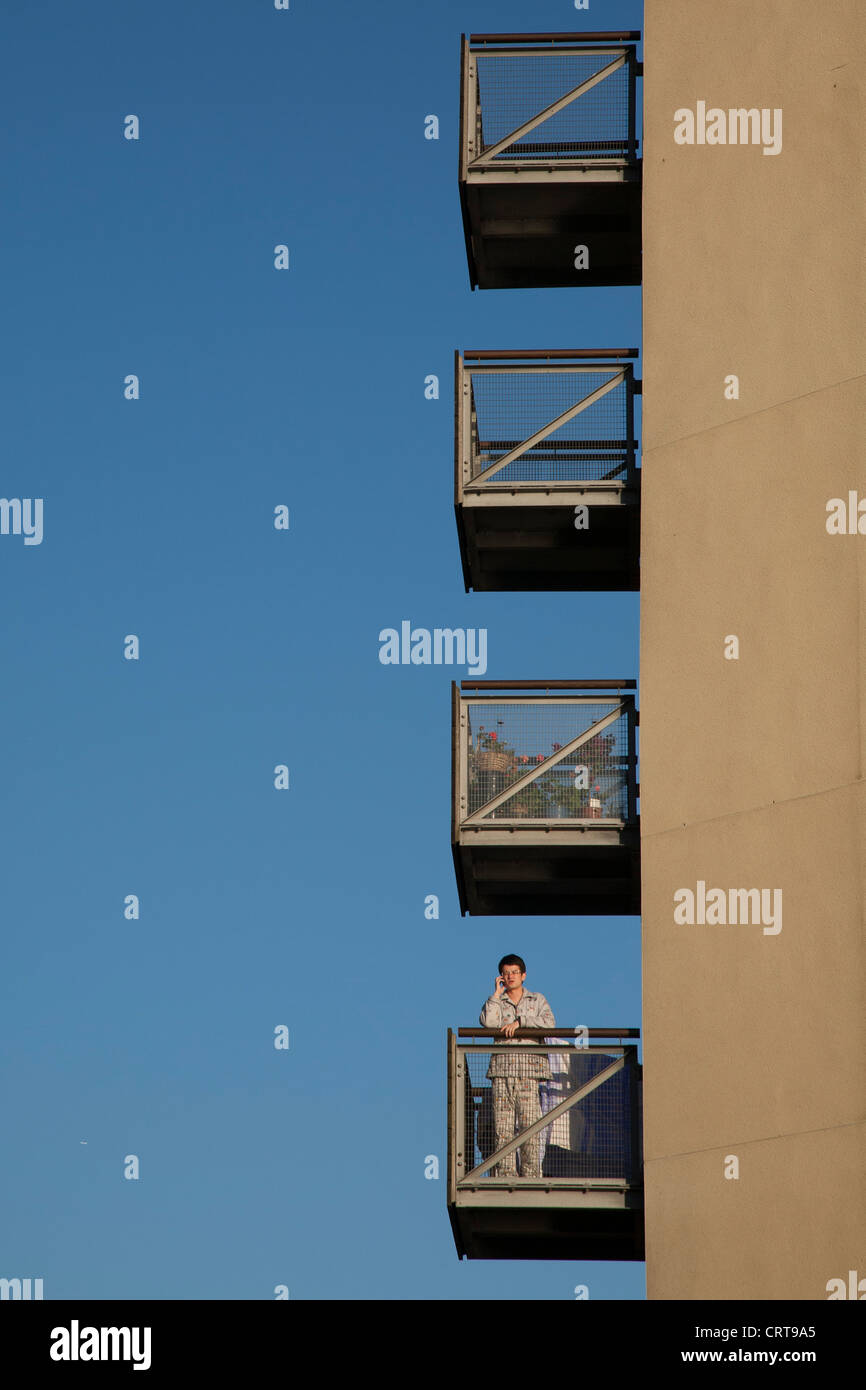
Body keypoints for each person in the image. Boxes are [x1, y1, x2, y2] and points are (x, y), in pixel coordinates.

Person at [479, 955, 555, 1179]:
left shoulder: (537, 999)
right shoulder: (497, 1002)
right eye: (506, 972)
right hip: (502, 1071)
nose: (510, 976)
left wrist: (520, 1023)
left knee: (529, 1127)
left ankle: (531, 1175)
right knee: (503, 1129)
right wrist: (495, 994)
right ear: (501, 976)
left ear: (523, 975)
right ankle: (506, 1176)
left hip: (529, 1072)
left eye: (514, 972)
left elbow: (550, 1023)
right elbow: (487, 1022)